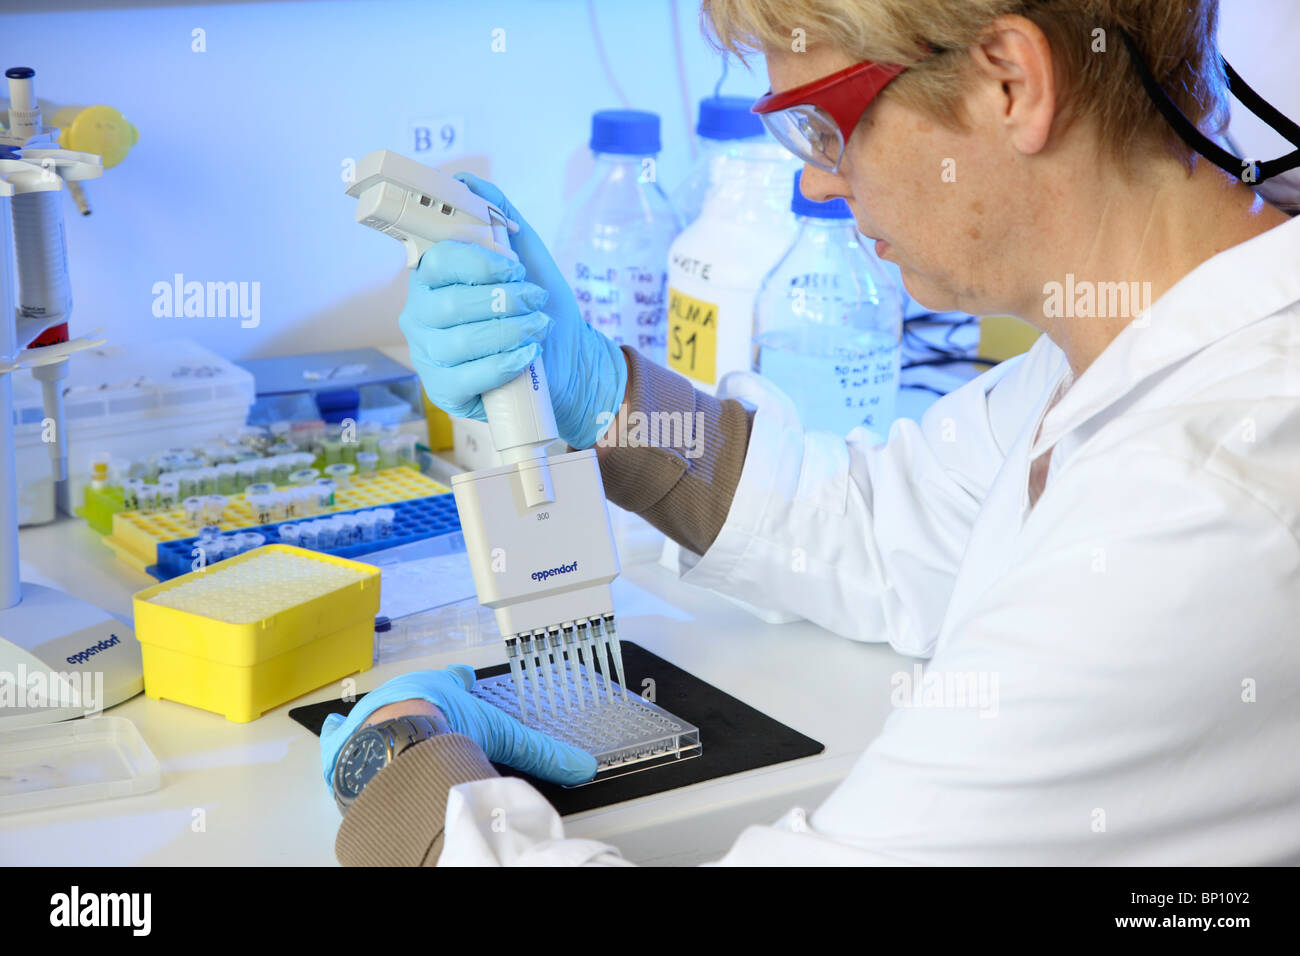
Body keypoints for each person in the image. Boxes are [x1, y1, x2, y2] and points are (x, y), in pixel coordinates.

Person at [322, 0, 1300, 865]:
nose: (822, 185)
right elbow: (877, 522)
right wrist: (599, 388)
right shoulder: (1117, 340)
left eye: (825, 127)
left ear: (1009, 83)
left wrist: (411, 783)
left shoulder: (1205, 502)